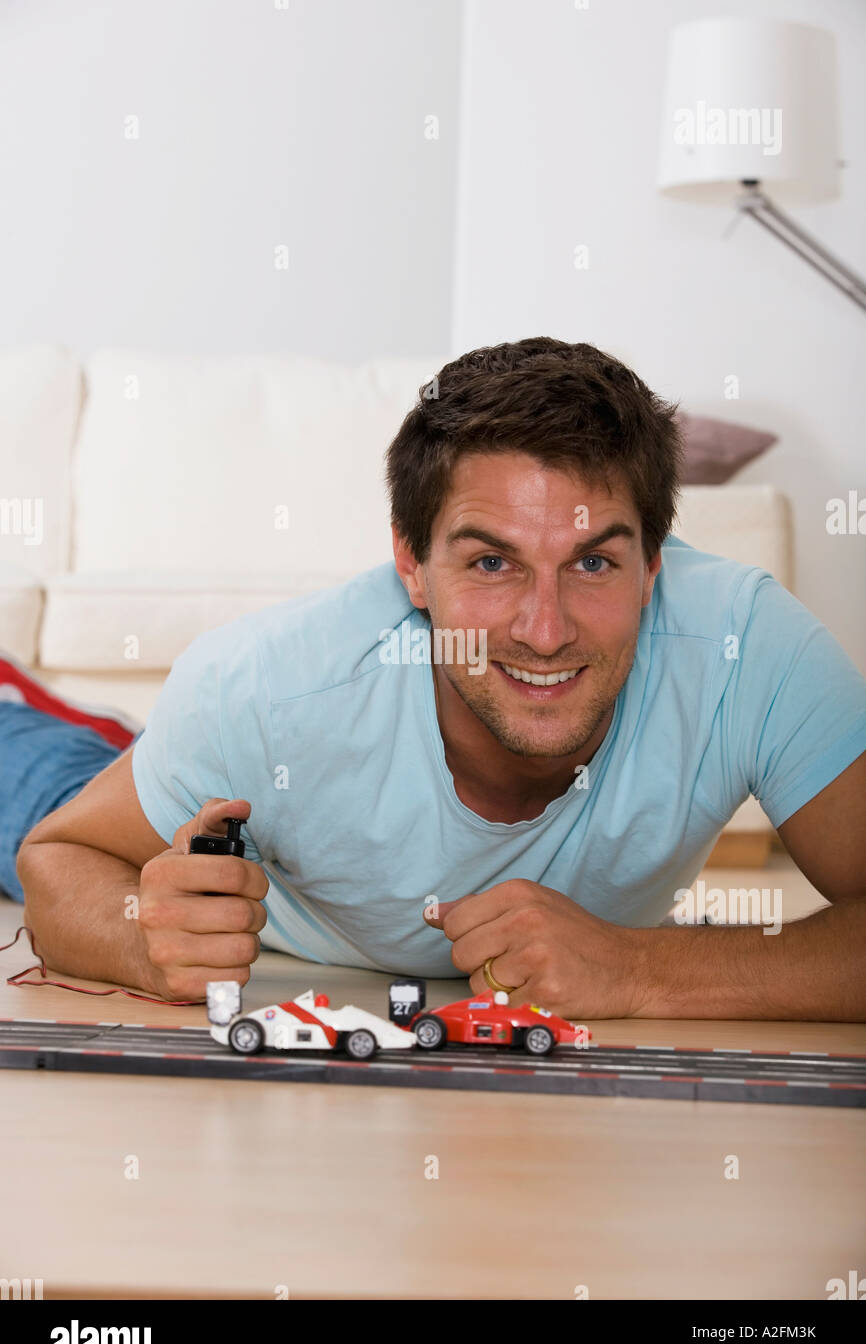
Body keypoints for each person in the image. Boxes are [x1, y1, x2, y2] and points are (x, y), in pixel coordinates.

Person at [10, 338, 866, 1019]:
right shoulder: (262, 691)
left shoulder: (746, 647)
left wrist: (642, 968)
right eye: (493, 561)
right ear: (411, 566)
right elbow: (58, 854)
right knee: (43, 768)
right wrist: (142, 934)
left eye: (594, 562)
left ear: (653, 567)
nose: (545, 629)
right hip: (115, 776)